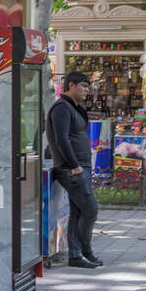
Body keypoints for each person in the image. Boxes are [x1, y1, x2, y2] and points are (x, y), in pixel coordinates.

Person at [46, 70, 101, 268]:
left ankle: (76, 256)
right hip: (72, 169)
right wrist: (74, 165)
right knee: (91, 209)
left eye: (88, 86)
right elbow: (61, 139)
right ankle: (85, 250)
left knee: (78, 211)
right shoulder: (61, 108)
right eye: (83, 86)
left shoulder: (76, 107)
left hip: (81, 166)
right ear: (71, 85)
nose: (88, 90)